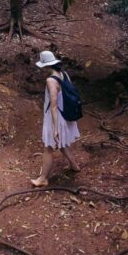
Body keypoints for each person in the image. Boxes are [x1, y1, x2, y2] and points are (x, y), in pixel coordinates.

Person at [31, 49, 80, 187]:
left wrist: (55, 128)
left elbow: (53, 104)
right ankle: (74, 165)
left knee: (48, 147)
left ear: (46, 65)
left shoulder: (51, 80)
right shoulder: (64, 74)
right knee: (62, 143)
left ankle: (43, 178)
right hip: (65, 114)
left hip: (55, 117)